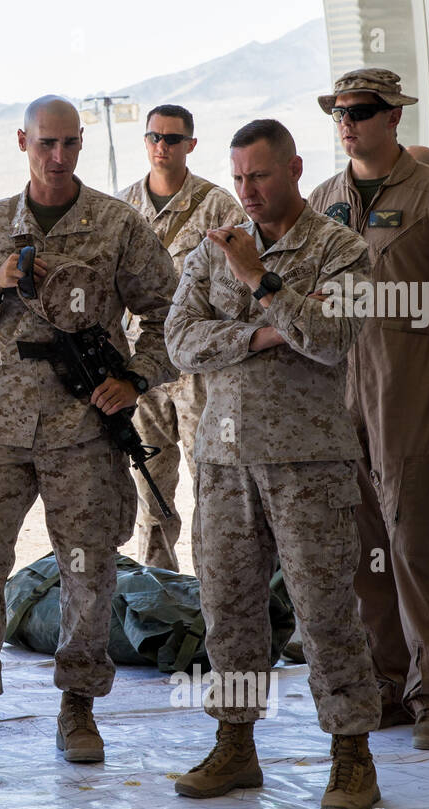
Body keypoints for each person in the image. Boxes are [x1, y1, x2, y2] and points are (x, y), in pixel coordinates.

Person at [0, 95, 177, 770]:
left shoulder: (116, 225)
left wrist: (136, 380)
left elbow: (174, 316)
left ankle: (79, 709)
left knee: (87, 574)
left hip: (85, 430)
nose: (58, 158)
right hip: (0, 428)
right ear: (22, 143)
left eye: (69, 145)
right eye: (45, 145)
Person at [165, 119, 383, 809]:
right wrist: (263, 332)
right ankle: (236, 745)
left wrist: (260, 281)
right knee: (227, 611)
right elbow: (179, 341)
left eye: (259, 176)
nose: (246, 191)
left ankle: (352, 753)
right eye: (236, 178)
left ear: (293, 169)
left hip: (308, 462)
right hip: (225, 460)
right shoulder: (214, 246)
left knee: (323, 613)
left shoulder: (339, 249)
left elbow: (327, 339)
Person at [309, 70, 429, 750]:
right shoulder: (323, 201)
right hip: (340, 400)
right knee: (361, 551)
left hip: (415, 392)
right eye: (340, 111)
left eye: (362, 111)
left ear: (392, 117)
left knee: (419, 547)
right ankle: (384, 688)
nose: (348, 122)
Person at [117, 104, 246, 570]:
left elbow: (239, 285)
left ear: (191, 145)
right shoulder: (122, 208)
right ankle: (160, 591)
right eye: (153, 137)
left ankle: (216, 593)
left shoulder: (219, 207)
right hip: (143, 368)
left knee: (210, 484)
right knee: (150, 486)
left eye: (172, 138)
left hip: (198, 372)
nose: (161, 146)